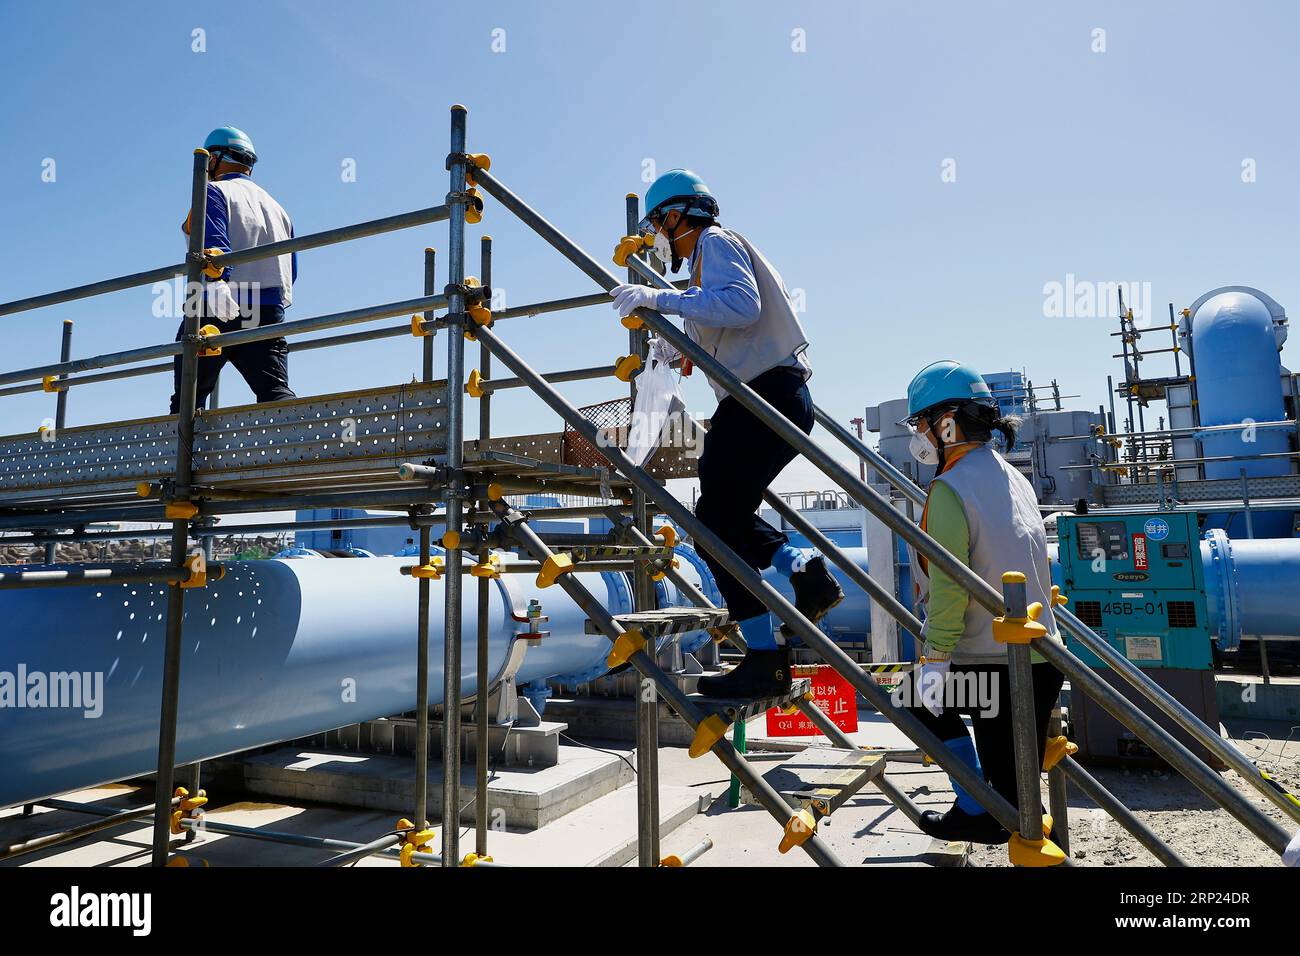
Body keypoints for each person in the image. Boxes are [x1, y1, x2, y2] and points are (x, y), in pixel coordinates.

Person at [610, 169, 842, 699]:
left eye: (659, 224)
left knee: (713, 521)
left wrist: (658, 299)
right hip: (766, 396)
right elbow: (717, 319)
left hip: (761, 396)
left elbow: (741, 305)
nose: (658, 236)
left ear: (677, 216)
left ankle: (767, 652)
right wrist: (675, 344)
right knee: (723, 516)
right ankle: (803, 574)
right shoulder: (702, 270)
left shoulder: (715, 241)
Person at [896, 360, 1065, 843]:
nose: (920, 435)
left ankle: (976, 810)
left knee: (914, 699)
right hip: (1040, 657)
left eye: (920, 423)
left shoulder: (950, 488)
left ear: (945, 423)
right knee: (1017, 799)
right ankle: (983, 809)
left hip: (992, 667)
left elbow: (950, 585)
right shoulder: (1014, 478)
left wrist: (935, 657)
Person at [169, 126, 297, 413]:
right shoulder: (279, 209)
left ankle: (186, 456)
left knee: (188, 399)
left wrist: (217, 283)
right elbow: (292, 269)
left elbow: (213, 243)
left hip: (215, 304)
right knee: (275, 393)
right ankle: (293, 447)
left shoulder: (212, 191)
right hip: (267, 309)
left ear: (213, 158)